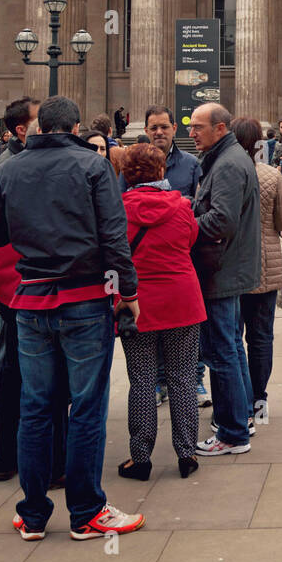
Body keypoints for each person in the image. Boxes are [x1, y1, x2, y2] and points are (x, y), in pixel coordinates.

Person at [0, 95, 144, 541]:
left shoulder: (8, 170)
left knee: (35, 408)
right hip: (83, 300)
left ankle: (32, 515)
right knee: (86, 406)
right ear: (75, 130)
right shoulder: (93, 168)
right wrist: (128, 292)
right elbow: (115, 237)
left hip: (30, 302)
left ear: (39, 129)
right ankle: (86, 511)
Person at [118, 143, 206, 480]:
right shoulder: (182, 206)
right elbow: (190, 240)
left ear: (127, 174)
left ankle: (140, 459)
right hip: (182, 299)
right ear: (161, 172)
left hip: (136, 303)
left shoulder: (119, 209)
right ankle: (186, 455)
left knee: (141, 381)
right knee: (183, 378)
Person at [0, 103, 67, 488]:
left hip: (23, 285)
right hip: (25, 286)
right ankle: (27, 457)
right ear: (23, 131)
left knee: (17, 370)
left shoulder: (14, 164)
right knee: (26, 375)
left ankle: (11, 455)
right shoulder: (12, 169)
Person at [119, 106, 204, 404]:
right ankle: (184, 447)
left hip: (163, 272)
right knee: (168, 368)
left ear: (173, 128)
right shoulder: (135, 166)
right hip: (160, 276)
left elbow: (200, 204)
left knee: (167, 368)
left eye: (164, 127)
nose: (159, 132)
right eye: (153, 127)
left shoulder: (191, 164)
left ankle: (141, 452)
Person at [189, 103, 260, 455]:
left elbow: (221, 221)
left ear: (220, 128)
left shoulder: (229, 163)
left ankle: (232, 432)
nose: (192, 132)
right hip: (228, 266)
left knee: (222, 353)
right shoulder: (227, 158)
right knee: (230, 347)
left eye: (198, 126)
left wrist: (184, 223)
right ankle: (240, 419)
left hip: (222, 268)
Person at [232, 118, 282, 419]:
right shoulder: (271, 176)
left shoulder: (219, 172)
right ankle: (258, 402)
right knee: (260, 338)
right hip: (265, 265)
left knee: (232, 339)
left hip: (228, 270)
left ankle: (236, 401)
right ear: (260, 143)